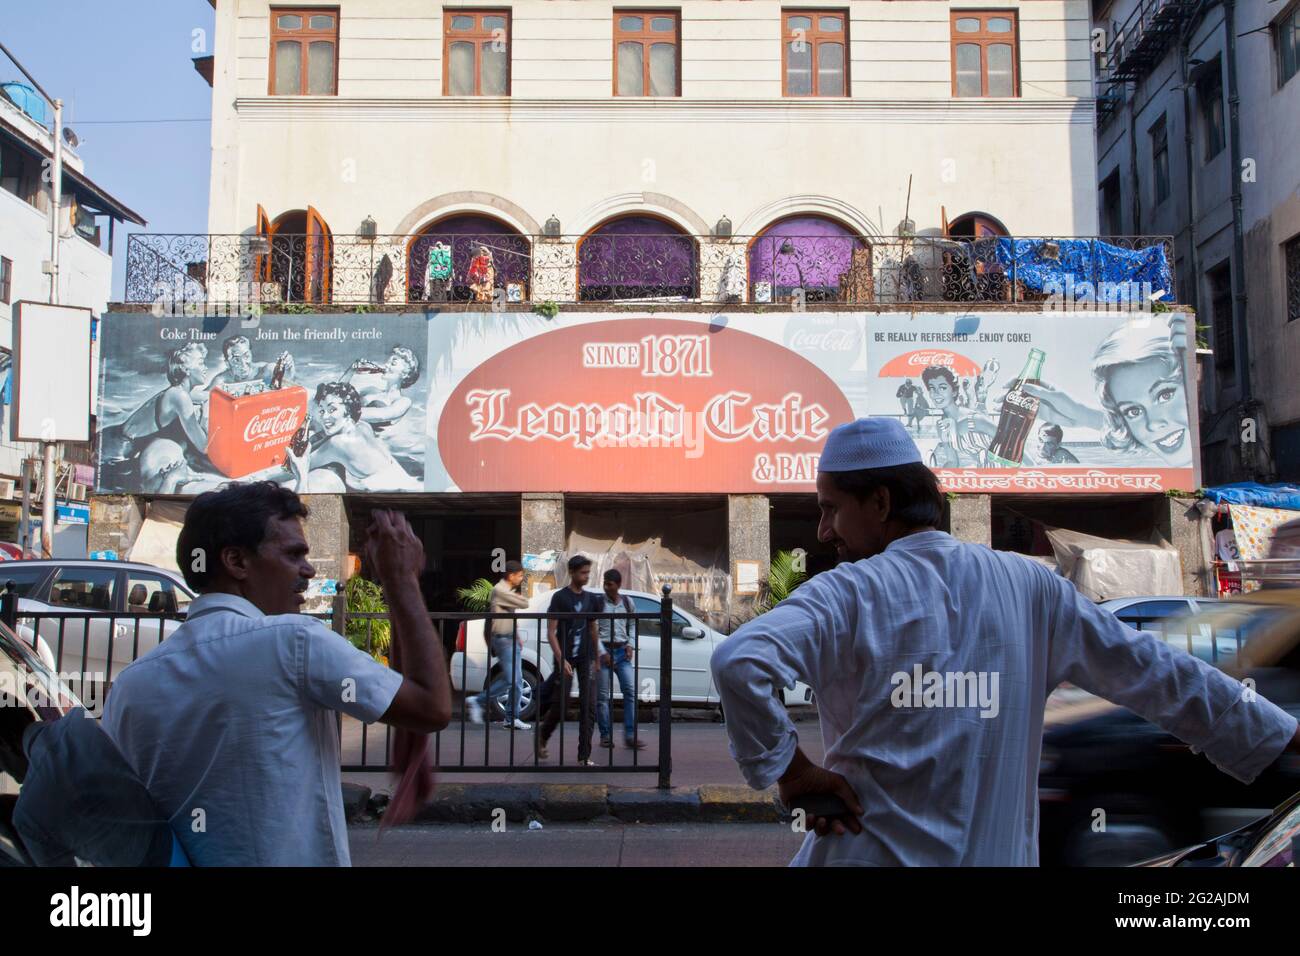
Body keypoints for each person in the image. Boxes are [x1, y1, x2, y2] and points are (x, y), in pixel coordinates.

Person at [709, 417, 1300, 866]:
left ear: (881, 503)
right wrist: (1276, 737)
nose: (822, 531)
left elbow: (739, 660)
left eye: (830, 509)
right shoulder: (1029, 586)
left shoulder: (848, 592)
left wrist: (792, 773)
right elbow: (1152, 671)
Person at [101, 484, 451, 865]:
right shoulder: (293, 642)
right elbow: (431, 707)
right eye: (293, 554)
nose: (309, 569)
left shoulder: (132, 684)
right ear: (236, 561)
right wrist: (401, 579)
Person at [1017, 314, 1190, 466]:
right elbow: (1123, 430)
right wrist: (1080, 414)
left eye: (1165, 395)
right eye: (1133, 411)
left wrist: (1080, 414)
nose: (1153, 424)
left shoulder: (1062, 457)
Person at [285, 381, 421, 492]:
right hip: (407, 482)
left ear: (348, 411)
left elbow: (295, 467)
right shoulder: (363, 426)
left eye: (332, 409)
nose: (324, 416)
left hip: (395, 494)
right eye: (321, 410)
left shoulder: (337, 444)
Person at [536, 555, 600, 764]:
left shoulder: (591, 599)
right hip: (565, 656)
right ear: (572, 572)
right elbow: (551, 632)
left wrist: (597, 657)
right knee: (562, 705)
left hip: (586, 657)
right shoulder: (560, 598)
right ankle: (542, 736)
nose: (586, 576)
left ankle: (584, 756)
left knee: (589, 705)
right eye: (583, 572)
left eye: (588, 572)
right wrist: (561, 659)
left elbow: (592, 627)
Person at [467, 560, 532, 729]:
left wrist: (517, 635)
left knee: (512, 679)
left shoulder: (507, 590)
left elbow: (510, 615)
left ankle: (510, 718)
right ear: (511, 576)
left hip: (510, 639)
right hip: (503, 640)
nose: (521, 579)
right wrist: (519, 598)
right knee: (514, 680)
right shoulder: (500, 590)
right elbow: (525, 603)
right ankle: (480, 701)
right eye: (520, 575)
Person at [595, 569, 644, 750]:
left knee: (630, 692)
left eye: (610, 584)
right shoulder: (599, 603)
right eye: (605, 583)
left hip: (622, 651)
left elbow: (632, 624)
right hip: (604, 651)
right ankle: (605, 735)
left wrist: (630, 644)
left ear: (618, 585)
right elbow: (593, 629)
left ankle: (630, 735)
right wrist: (601, 652)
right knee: (602, 697)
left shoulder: (627, 602)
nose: (606, 587)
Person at [921, 364, 996, 466]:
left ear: (954, 392)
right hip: (983, 474)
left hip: (1004, 472)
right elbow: (952, 462)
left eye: (942, 388)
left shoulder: (975, 419)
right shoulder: (942, 426)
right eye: (932, 388)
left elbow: (1013, 444)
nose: (936, 393)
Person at [341, 346, 421, 432]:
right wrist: (351, 371)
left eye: (393, 363)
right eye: (387, 362)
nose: (386, 365)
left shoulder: (404, 401)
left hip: (371, 443)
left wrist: (342, 411)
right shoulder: (370, 390)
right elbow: (338, 394)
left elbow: (381, 415)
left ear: (405, 374)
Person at [203, 335, 295, 394]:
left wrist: (288, 367)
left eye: (246, 356)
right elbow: (198, 396)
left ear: (251, 354)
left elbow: (288, 378)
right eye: (236, 360)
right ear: (227, 363)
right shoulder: (223, 380)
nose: (243, 364)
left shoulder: (265, 371)